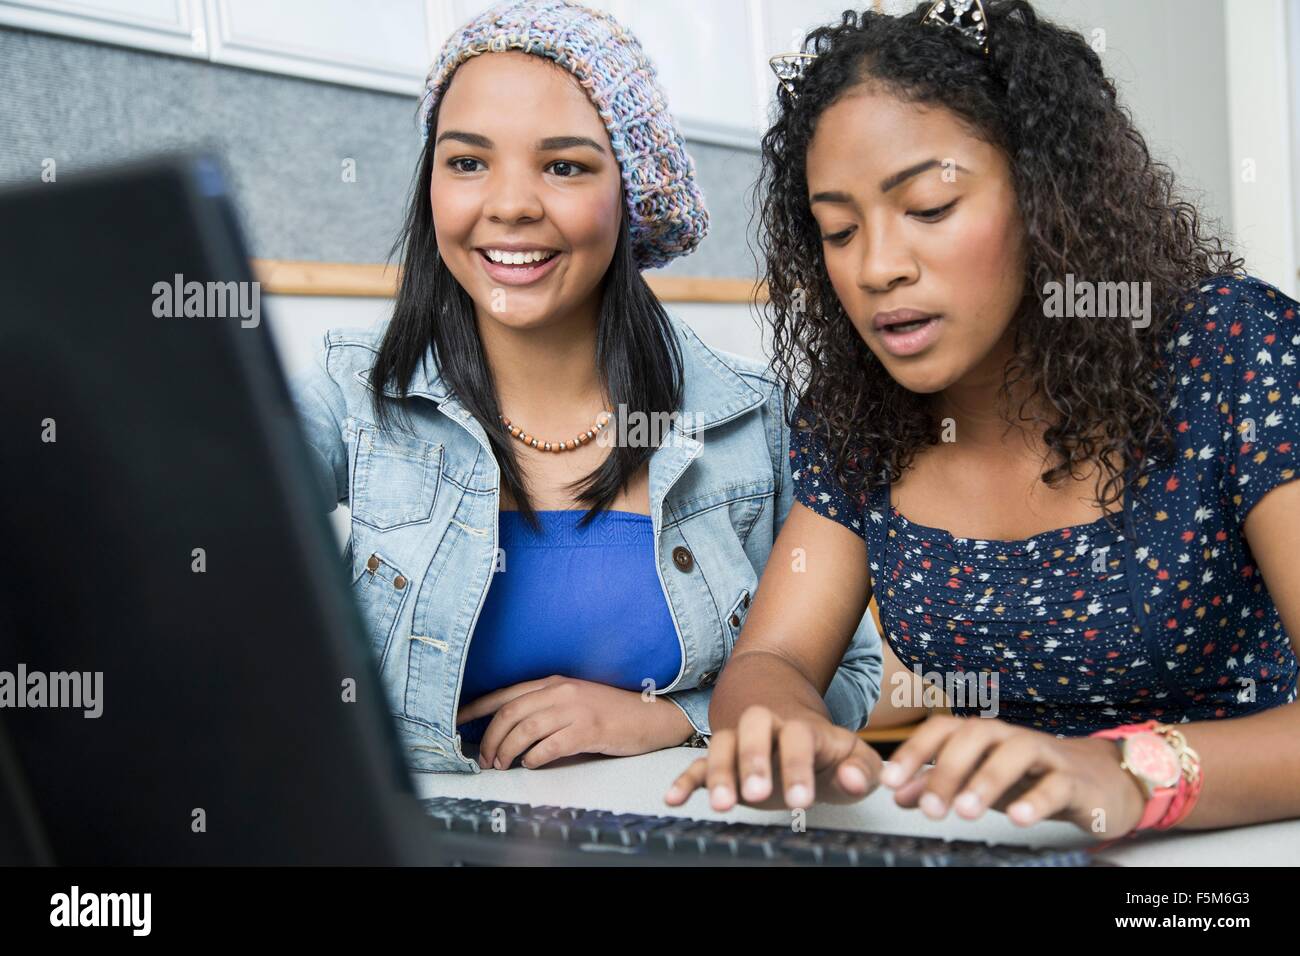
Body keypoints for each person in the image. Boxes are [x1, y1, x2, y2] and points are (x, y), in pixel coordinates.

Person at [666, 0, 1300, 840]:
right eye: (839, 230)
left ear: (1047, 195)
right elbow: (773, 659)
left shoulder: (1226, 351)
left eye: (929, 207)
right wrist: (781, 728)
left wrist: (1116, 770)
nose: (878, 267)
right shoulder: (858, 413)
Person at [289, 0, 882, 775]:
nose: (509, 205)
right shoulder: (354, 394)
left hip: (668, 839)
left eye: (564, 165)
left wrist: (672, 718)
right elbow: (199, 520)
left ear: (630, 196)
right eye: (467, 161)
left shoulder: (752, 418)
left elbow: (848, 675)